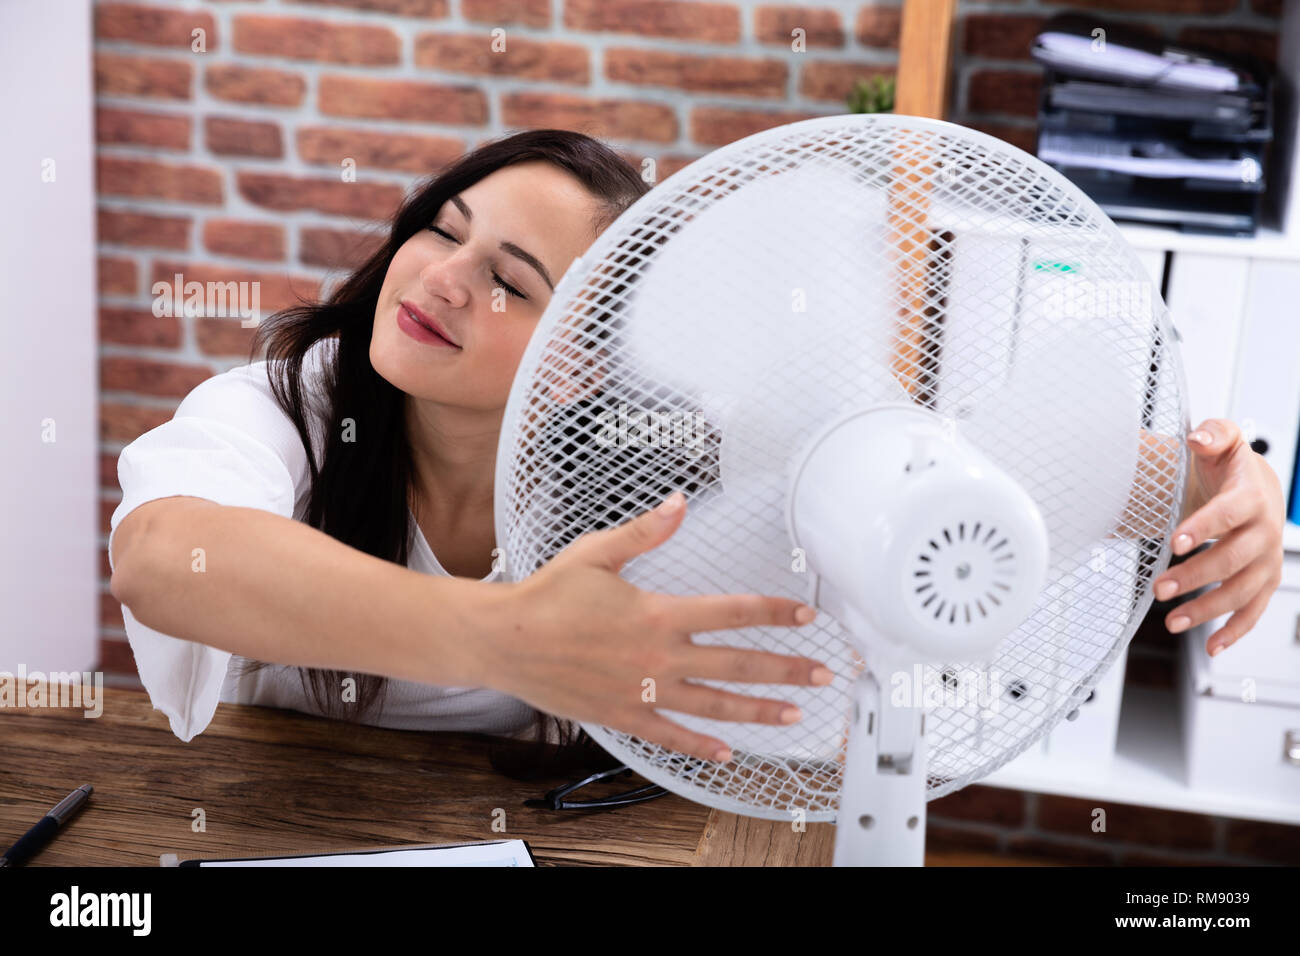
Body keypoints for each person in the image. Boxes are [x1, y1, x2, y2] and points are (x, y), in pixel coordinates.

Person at [109, 128, 1285, 774]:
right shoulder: (293, 410)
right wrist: (504, 638)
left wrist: (1230, 489)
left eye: (511, 280)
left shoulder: (647, 456)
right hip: (263, 825)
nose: (442, 277)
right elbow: (165, 557)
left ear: (576, 363)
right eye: (442, 227)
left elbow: (987, 471)